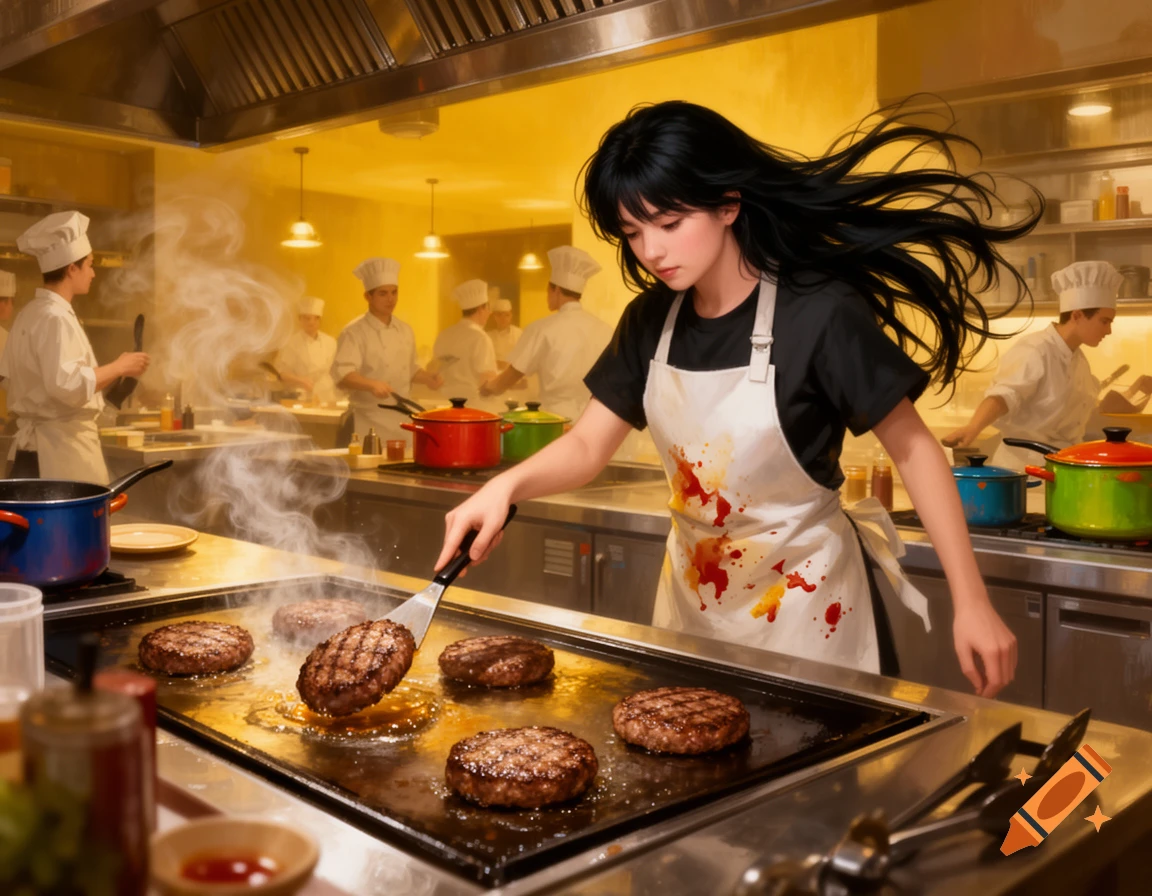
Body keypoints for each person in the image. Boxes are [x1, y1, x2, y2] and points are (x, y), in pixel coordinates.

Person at [437, 101, 1031, 698]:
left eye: (669, 223)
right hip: (694, 606)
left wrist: (971, 600)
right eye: (633, 232)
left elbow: (914, 449)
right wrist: (504, 488)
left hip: (809, 610)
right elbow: (589, 445)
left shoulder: (817, 312)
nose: (651, 250)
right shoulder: (651, 321)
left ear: (728, 204)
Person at [944, 260, 1145, 471]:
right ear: (1077, 315)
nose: (1109, 331)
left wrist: (1130, 395)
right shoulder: (1035, 350)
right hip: (1025, 468)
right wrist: (973, 428)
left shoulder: (1079, 360)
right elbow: (1004, 396)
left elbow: (1078, 412)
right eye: (1104, 321)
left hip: (1061, 465)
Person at [1, 211, 149, 484]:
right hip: (58, 457)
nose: (93, 273)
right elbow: (68, 386)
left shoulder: (30, 313)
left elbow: (25, 381)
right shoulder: (54, 317)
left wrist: (115, 378)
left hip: (31, 454)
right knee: (75, 515)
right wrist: (119, 366)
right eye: (89, 265)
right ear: (72, 269)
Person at [481, 246, 612, 421]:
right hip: (595, 419)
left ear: (555, 289)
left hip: (555, 420)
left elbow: (510, 377)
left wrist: (487, 388)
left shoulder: (541, 329)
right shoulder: (605, 330)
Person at [332, 257, 441, 445]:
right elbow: (343, 374)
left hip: (401, 419)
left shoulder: (405, 330)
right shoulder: (354, 332)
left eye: (394, 292)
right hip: (367, 420)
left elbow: (410, 368)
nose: (391, 299)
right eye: (383, 293)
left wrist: (427, 377)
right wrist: (371, 384)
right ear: (368, 297)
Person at [433, 279, 498, 407]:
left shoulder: (444, 334)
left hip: (444, 404)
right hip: (470, 406)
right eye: (488, 308)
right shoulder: (481, 338)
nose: (489, 313)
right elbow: (487, 380)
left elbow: (435, 368)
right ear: (480, 309)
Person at [276, 296, 338, 403]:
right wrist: (301, 381)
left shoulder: (330, 342)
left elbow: (336, 370)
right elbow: (281, 374)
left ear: (320, 320)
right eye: (307, 318)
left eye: (316, 318)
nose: (311, 322)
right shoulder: (291, 343)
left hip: (326, 395)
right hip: (300, 396)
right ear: (300, 319)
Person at [487, 293, 522, 368]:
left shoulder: (519, 333)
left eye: (507, 315)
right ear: (494, 316)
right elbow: (485, 359)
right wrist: (498, 364)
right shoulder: (488, 336)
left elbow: (524, 356)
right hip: (494, 372)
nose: (503, 319)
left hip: (514, 371)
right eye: (499, 315)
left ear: (511, 316)